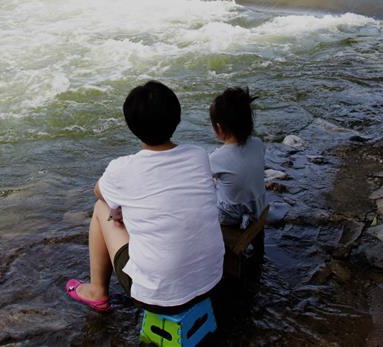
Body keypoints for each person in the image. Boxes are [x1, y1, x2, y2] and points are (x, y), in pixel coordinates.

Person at [65, 81, 224, 313]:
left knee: (101, 207)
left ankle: (97, 291)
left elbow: (98, 191)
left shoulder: (122, 168)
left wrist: (117, 208)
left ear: (132, 126)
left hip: (158, 297)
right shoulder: (198, 155)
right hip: (211, 282)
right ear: (177, 118)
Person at [208, 87, 266, 230]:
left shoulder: (216, 158)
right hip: (257, 206)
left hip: (231, 216)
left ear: (219, 127)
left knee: (208, 187)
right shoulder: (258, 143)